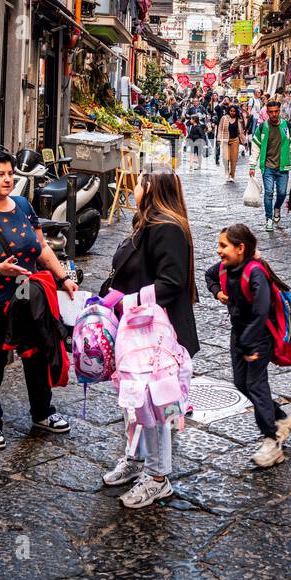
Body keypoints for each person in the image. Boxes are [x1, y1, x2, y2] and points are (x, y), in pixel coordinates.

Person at [0, 149, 79, 449]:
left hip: (26, 300)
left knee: (36, 355)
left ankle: (42, 412)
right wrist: (0, 268)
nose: (8, 178)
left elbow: (41, 247)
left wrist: (62, 278)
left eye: (10, 173)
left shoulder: (23, 205)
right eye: (0, 174)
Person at [103, 169, 200, 508]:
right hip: (138, 333)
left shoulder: (167, 229)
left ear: (153, 188)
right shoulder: (144, 221)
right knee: (135, 404)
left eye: (141, 182)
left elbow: (171, 283)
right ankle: (135, 459)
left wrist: (127, 301)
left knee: (155, 409)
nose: (135, 186)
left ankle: (158, 477)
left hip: (160, 337)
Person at [205, 223, 291, 467]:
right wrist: (217, 293)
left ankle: (272, 440)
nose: (218, 251)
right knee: (240, 383)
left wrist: (248, 343)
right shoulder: (226, 267)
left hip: (259, 337)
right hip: (240, 335)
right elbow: (209, 275)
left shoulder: (256, 272)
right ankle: (281, 418)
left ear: (241, 248)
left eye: (223, 246)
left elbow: (260, 312)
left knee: (255, 385)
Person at [249, 99, 291, 233]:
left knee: (282, 193)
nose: (274, 114)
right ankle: (268, 219)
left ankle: (277, 207)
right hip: (268, 167)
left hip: (283, 167)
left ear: (279, 111)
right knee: (269, 193)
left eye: (276, 111)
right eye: (271, 112)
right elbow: (255, 146)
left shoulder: (286, 126)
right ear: (267, 112)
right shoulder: (262, 127)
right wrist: (252, 165)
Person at [218, 105, 243, 181]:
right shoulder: (224, 118)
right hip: (226, 140)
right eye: (231, 111)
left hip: (235, 140)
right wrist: (219, 139)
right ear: (228, 111)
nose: (232, 112)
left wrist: (244, 142)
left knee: (233, 159)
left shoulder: (238, 119)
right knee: (226, 158)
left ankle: (232, 175)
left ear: (236, 112)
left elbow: (241, 131)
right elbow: (220, 128)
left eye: (234, 111)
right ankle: (226, 171)